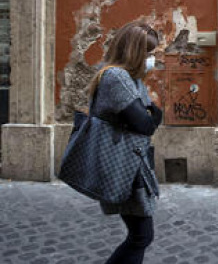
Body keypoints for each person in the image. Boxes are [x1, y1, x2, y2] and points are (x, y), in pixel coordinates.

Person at [85, 20, 164, 264]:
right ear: (134, 52)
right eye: (148, 53)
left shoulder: (128, 76)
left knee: (141, 235)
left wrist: (150, 115)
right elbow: (145, 123)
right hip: (123, 165)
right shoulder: (117, 77)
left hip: (132, 162)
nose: (151, 58)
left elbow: (142, 116)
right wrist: (155, 115)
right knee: (141, 236)